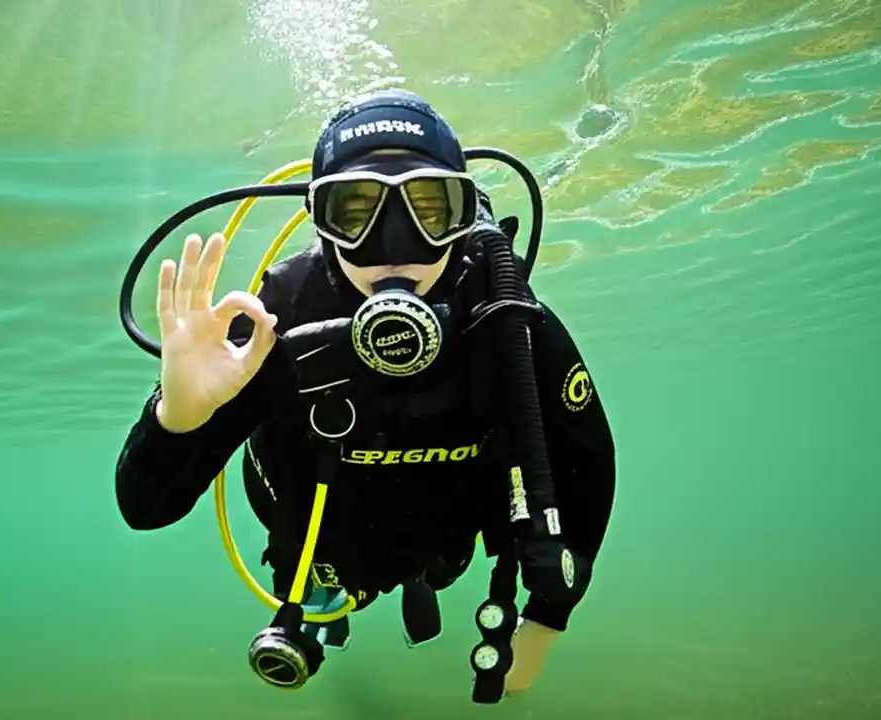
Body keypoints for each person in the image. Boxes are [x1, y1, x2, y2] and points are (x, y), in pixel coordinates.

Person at [114, 88, 616, 699]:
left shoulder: (502, 315)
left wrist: (545, 621)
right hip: (318, 546)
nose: (395, 247)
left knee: (430, 569)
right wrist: (179, 418)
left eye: (431, 210)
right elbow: (146, 509)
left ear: (465, 215)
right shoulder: (280, 319)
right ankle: (326, 609)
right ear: (319, 221)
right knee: (328, 582)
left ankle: (394, 586)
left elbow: (587, 465)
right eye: (354, 212)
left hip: (444, 542)